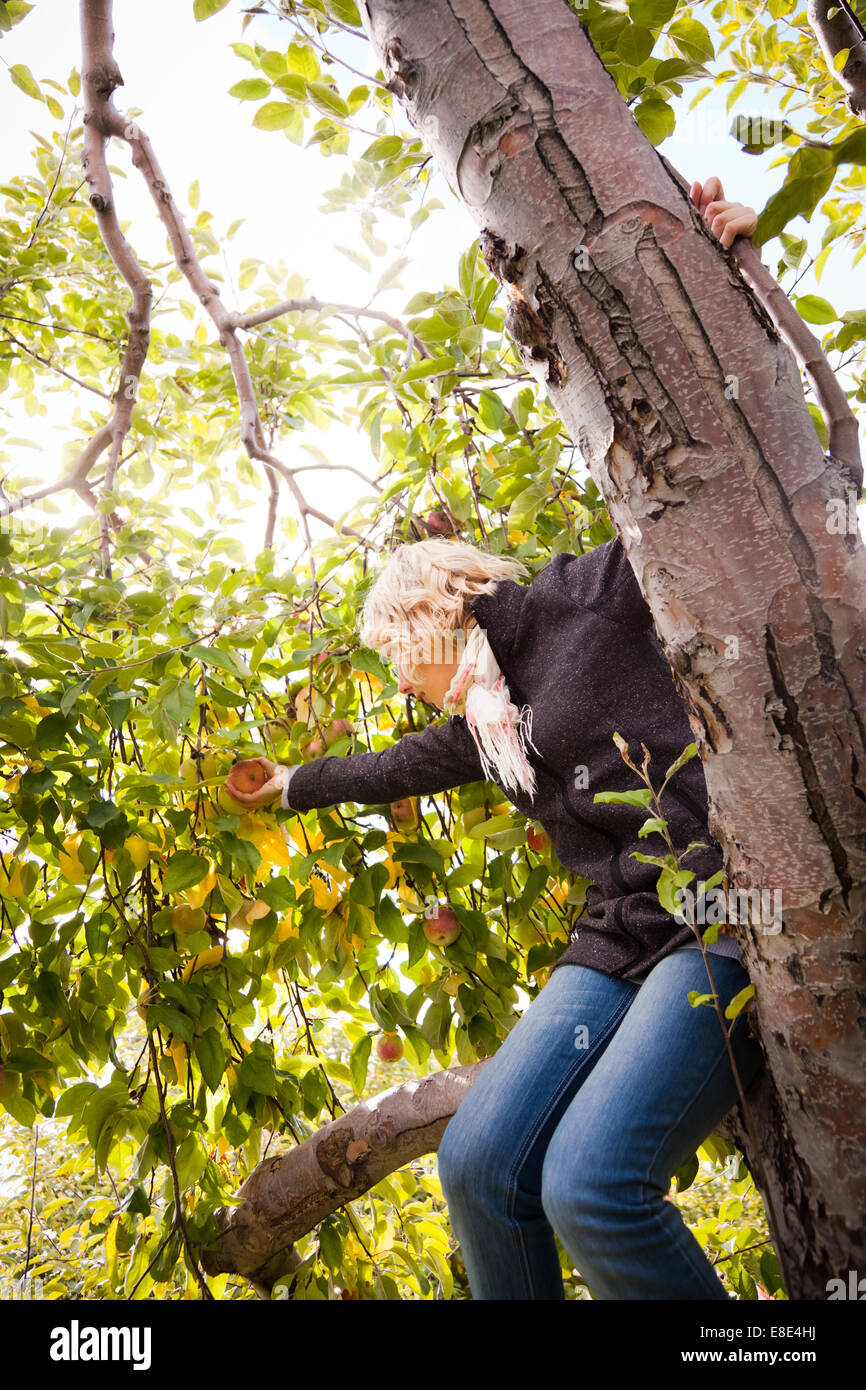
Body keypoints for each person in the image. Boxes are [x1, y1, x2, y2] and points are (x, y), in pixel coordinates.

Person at [226, 179, 767, 1300]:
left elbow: (712, 479)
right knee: (475, 1166)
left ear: (430, 611)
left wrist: (724, 280)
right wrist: (288, 784)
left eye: (393, 651)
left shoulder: (588, 597)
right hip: (615, 938)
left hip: (718, 911)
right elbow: (390, 766)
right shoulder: (486, 720)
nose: (398, 679)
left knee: (588, 1183)